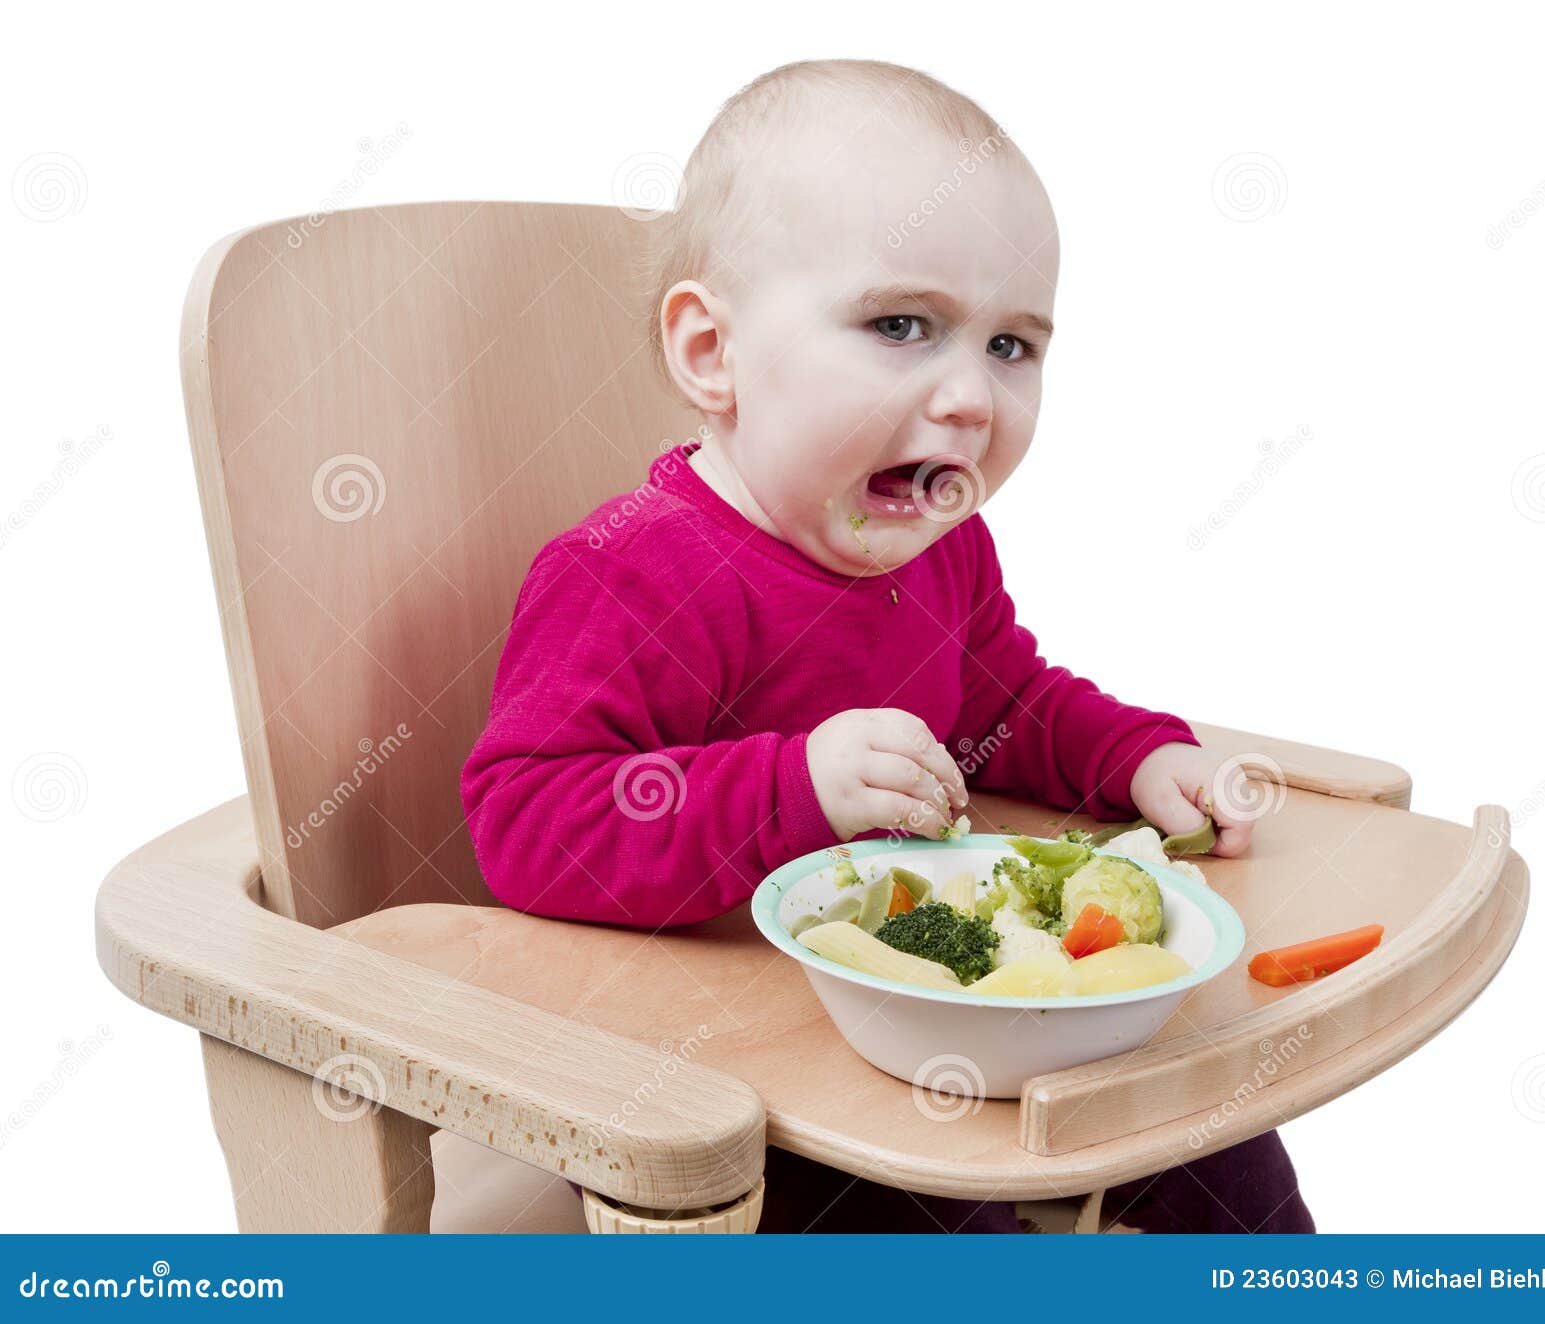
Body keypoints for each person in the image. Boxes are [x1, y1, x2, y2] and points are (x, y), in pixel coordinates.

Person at [462, 58, 1312, 1234]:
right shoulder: (627, 573)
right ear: (712, 355)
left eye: (1011, 345)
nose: (970, 396)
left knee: (1216, 1127)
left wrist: (1127, 760)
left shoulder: (935, 549)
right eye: (900, 325)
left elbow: (1003, 705)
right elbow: (522, 822)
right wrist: (792, 784)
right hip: (724, 1083)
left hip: (922, 1025)